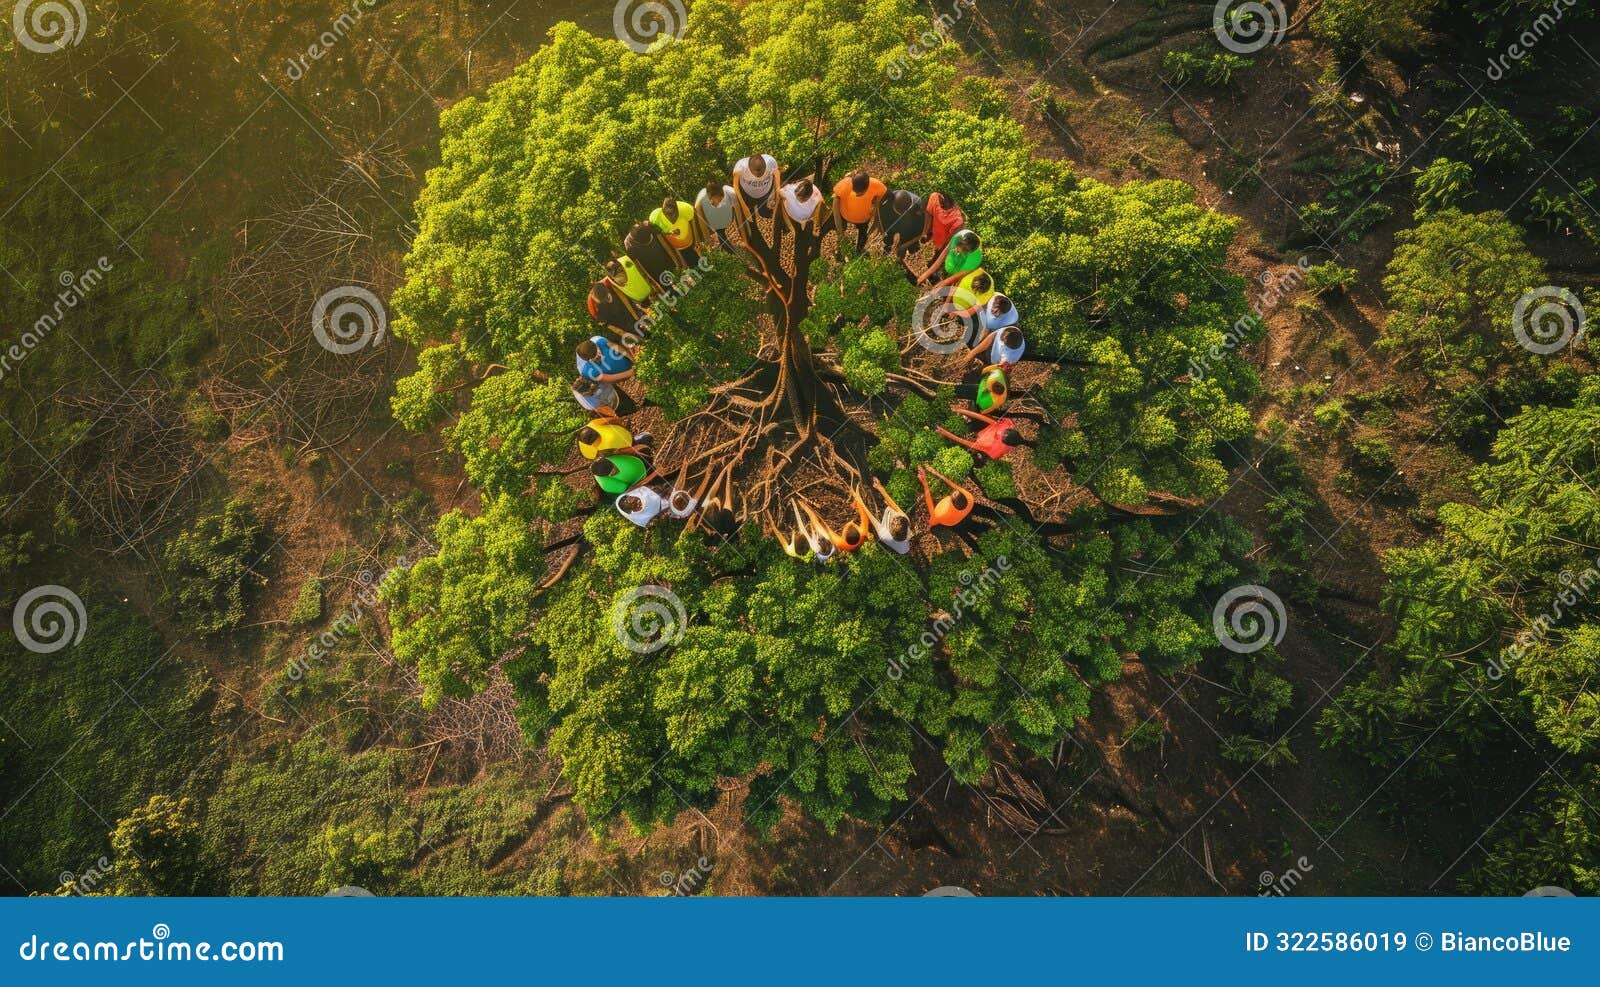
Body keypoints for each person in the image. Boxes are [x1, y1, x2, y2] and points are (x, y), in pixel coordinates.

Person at [935, 407, 1033, 461]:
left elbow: (966, 442)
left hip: (979, 434)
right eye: (1004, 432)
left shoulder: (992, 448)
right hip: (984, 426)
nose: (1000, 433)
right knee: (973, 408)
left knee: (959, 430)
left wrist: (946, 433)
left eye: (1000, 436)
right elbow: (984, 418)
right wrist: (961, 410)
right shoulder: (1005, 427)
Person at [832, 169, 888, 254]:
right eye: (855, 192)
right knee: (841, 231)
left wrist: (874, 212)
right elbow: (835, 208)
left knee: (863, 235)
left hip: (863, 218)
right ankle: (839, 248)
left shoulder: (876, 185)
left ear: (868, 186)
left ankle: (860, 250)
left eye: (861, 193)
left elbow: (881, 196)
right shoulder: (844, 185)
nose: (858, 195)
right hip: (845, 215)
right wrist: (840, 232)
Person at [649, 196, 700, 269]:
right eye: (668, 215)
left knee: (696, 262)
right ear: (663, 212)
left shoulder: (686, 210)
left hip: (689, 244)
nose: (671, 218)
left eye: (672, 214)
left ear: (677, 210)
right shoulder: (656, 218)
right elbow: (659, 237)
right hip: (673, 248)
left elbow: (694, 224)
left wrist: (696, 241)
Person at [918, 465, 975, 529]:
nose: (954, 490)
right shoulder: (968, 496)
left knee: (960, 531)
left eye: (953, 495)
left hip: (952, 523)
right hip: (965, 514)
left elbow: (929, 503)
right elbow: (953, 484)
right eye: (956, 492)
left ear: (952, 505)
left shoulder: (942, 514)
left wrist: (924, 482)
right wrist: (935, 472)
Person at [732, 153, 781, 226]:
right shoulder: (740, 166)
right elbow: (735, 185)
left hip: (765, 192)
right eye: (755, 172)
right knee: (749, 221)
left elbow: (777, 183)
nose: (758, 175)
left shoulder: (771, 162)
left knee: (765, 213)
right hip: (747, 193)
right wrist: (744, 207)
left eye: (761, 172)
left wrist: (777, 202)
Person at [624, 222, 676, 288]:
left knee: (669, 277)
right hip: (654, 262)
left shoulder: (648, 227)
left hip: (658, 260)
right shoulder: (629, 241)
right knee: (667, 281)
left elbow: (632, 256)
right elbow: (637, 264)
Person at [877, 189, 927, 259]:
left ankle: (903, 254)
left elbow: (922, 231)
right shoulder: (888, 198)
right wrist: (881, 228)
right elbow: (878, 209)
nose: (901, 214)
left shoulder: (919, 206)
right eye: (899, 211)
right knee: (888, 233)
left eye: (903, 212)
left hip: (910, 221)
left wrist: (906, 245)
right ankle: (887, 245)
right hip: (894, 217)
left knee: (908, 244)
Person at [868, 479, 913, 554]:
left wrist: (859, 500)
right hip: (903, 550)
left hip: (883, 526)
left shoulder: (883, 535)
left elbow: (871, 517)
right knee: (905, 550)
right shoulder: (906, 520)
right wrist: (880, 488)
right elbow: (895, 506)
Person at [778, 177, 827, 244]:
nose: (797, 196)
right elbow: (779, 192)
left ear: (808, 197)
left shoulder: (816, 198)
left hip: (807, 219)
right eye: (797, 194)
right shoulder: (789, 191)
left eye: (801, 197)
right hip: (792, 217)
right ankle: (786, 228)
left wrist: (816, 226)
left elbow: (821, 207)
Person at [577, 416, 651, 460]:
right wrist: (636, 449)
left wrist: (622, 427)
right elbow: (622, 452)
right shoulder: (600, 450)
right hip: (625, 447)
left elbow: (613, 419)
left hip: (623, 436)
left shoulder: (593, 424)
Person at [922, 190, 966, 258]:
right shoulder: (935, 198)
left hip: (941, 240)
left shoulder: (957, 220)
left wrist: (939, 252)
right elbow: (929, 214)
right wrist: (924, 233)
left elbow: (949, 240)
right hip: (932, 230)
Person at [695, 180, 738, 250]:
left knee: (721, 234)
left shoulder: (727, 192)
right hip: (707, 220)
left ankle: (726, 247)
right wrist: (707, 238)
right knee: (721, 235)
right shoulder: (702, 198)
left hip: (721, 220)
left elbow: (736, 206)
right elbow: (698, 213)